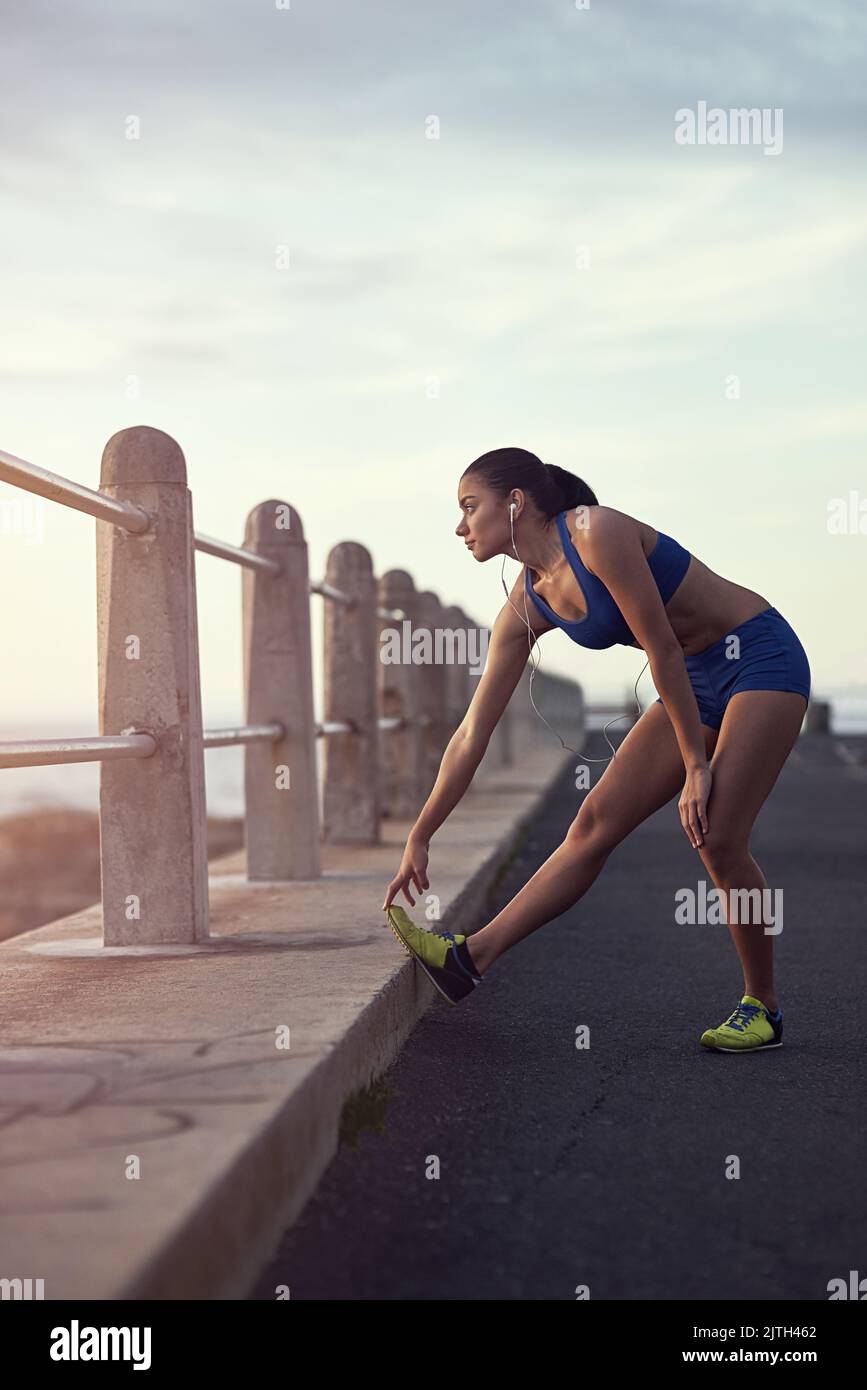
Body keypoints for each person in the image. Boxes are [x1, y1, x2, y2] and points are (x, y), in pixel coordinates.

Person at [381, 447, 811, 1053]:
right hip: (691, 680)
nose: (460, 527)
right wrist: (421, 832)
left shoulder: (596, 531)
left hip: (758, 657)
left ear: (515, 503)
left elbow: (659, 646)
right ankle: (467, 960)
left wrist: (695, 765)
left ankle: (762, 1006)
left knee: (718, 835)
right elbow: (473, 731)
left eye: (468, 508)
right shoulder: (527, 604)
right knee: (591, 824)